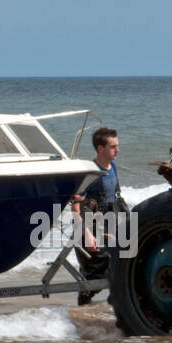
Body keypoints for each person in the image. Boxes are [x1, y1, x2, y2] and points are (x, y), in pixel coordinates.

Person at [71, 127, 126, 305]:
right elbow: (76, 206)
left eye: (117, 146)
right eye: (113, 146)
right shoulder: (90, 172)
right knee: (95, 276)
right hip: (91, 228)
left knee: (124, 263)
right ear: (100, 149)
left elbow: (116, 198)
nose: (117, 150)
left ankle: (116, 304)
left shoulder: (114, 166)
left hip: (111, 223)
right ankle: (82, 309)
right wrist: (86, 234)